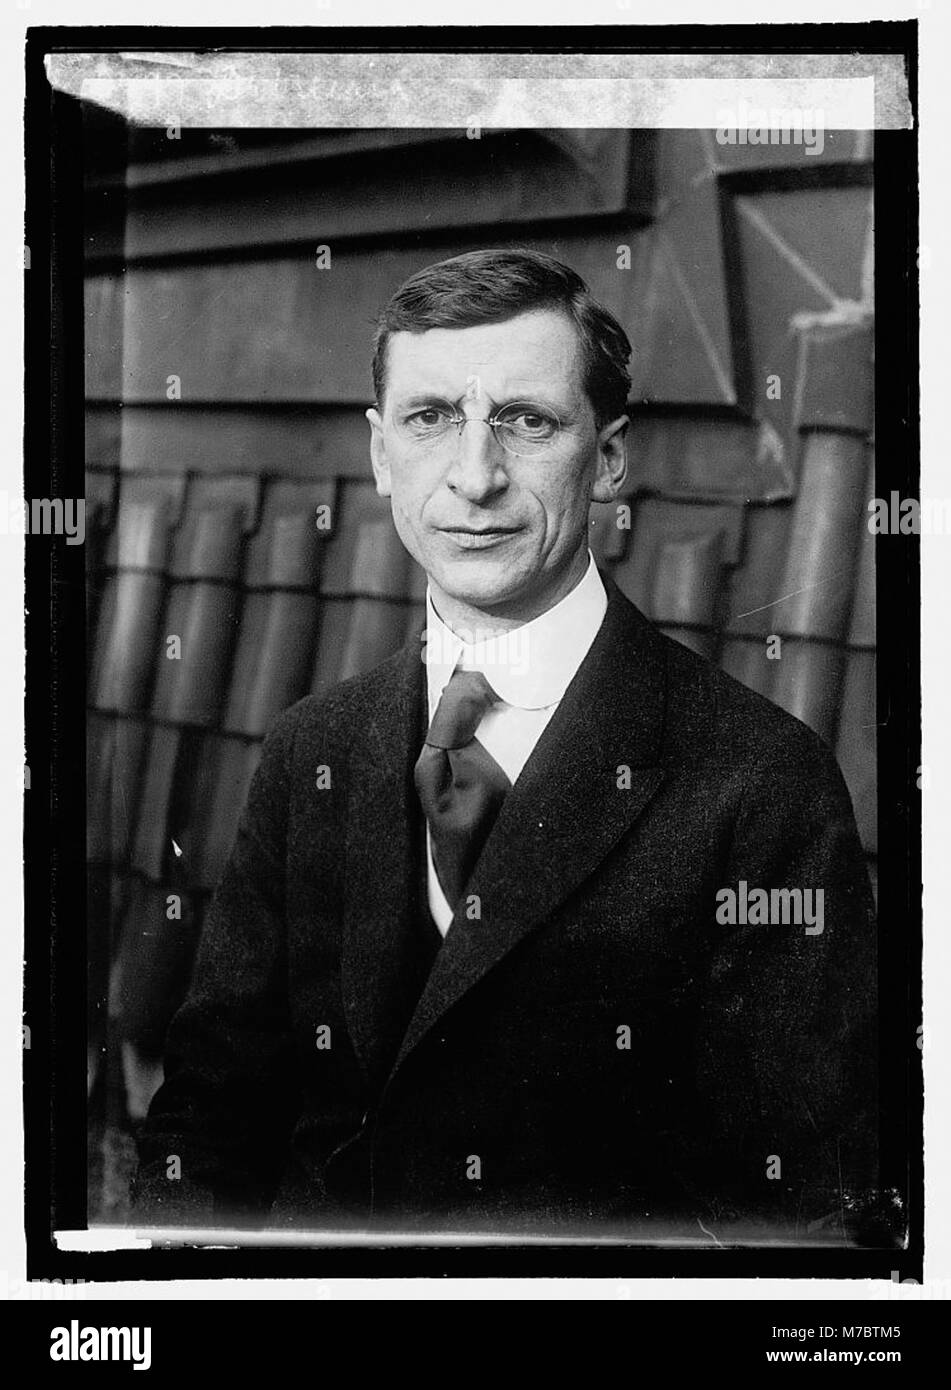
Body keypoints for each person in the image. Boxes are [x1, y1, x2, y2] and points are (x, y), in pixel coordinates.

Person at [133, 249, 878, 1240]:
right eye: (432, 418)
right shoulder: (311, 748)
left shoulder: (762, 782)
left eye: (527, 422)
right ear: (380, 453)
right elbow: (210, 1120)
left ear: (608, 458)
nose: (474, 477)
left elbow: (792, 1218)